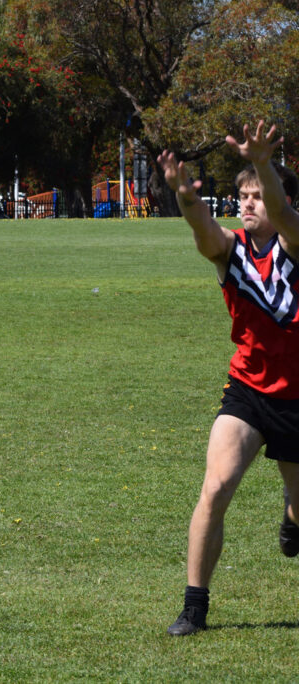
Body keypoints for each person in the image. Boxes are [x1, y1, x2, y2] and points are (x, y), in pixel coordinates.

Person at [158, 120, 299, 637]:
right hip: (249, 390)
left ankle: (292, 515)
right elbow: (203, 230)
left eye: (256, 196)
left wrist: (263, 163)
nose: (248, 204)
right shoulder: (231, 252)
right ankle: (194, 607)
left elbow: (284, 214)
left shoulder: (294, 244)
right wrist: (183, 196)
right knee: (215, 487)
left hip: (298, 398)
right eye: (242, 196)